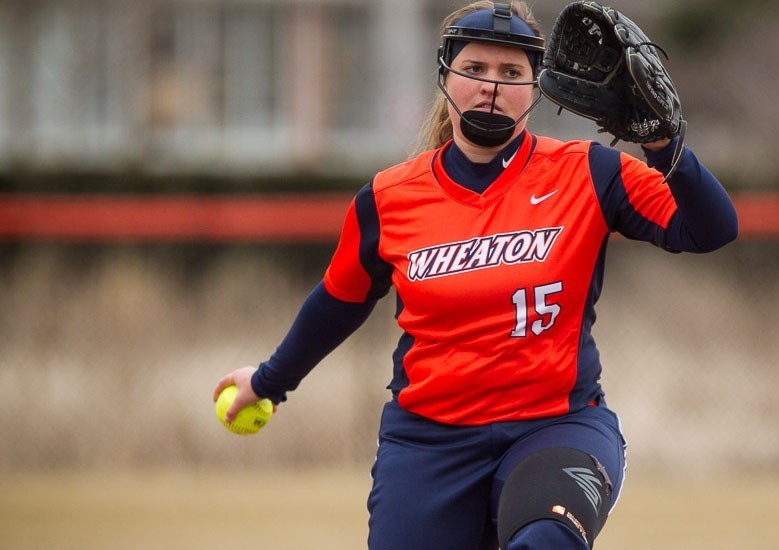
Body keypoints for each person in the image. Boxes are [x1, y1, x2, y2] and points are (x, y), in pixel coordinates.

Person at [212, 1, 738, 548]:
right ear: (446, 78)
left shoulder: (588, 172)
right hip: (429, 441)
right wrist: (268, 381)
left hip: (555, 426)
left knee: (546, 540)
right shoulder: (390, 198)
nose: (491, 85)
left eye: (511, 72)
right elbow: (338, 301)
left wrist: (664, 144)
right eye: (475, 68)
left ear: (536, 88)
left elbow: (711, 229)